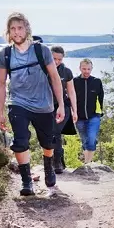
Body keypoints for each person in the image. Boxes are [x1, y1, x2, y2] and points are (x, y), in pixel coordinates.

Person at [0, 12, 65, 196]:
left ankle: (48, 167)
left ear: (26, 29)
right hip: (18, 102)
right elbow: (1, 84)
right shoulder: (5, 55)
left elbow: (55, 77)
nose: (16, 32)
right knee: (20, 140)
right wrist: (0, 112)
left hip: (44, 104)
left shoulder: (41, 50)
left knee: (48, 142)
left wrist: (61, 106)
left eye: (20, 28)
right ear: (8, 32)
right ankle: (27, 181)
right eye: (13, 29)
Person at [50, 45, 78, 174]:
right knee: (50, 134)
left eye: (59, 59)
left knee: (56, 131)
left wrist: (75, 111)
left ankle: (57, 163)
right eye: (54, 58)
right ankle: (57, 161)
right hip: (47, 107)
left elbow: (71, 92)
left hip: (63, 106)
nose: (56, 62)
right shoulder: (43, 70)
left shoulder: (66, 72)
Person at [73, 59, 104, 164]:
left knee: (91, 139)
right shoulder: (74, 82)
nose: (86, 71)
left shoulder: (96, 81)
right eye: (84, 69)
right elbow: (70, 98)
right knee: (85, 141)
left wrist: (100, 113)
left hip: (93, 116)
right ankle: (88, 163)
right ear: (80, 68)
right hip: (79, 118)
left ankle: (87, 164)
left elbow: (101, 98)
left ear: (92, 69)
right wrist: (73, 113)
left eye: (88, 69)